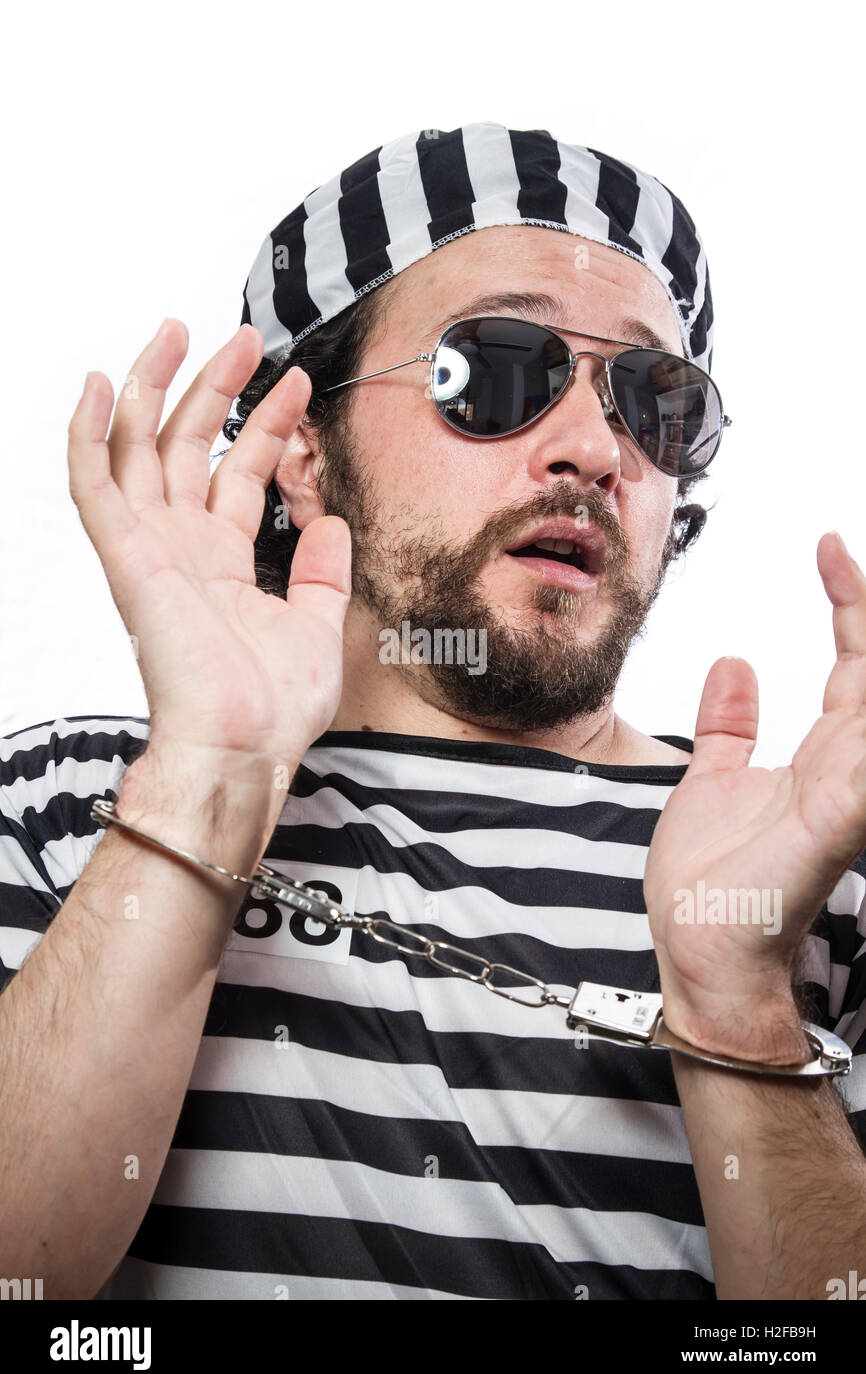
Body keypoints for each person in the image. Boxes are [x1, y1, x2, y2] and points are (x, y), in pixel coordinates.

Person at [1, 122, 865, 1302]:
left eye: (651, 401)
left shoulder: (814, 884)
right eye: (492, 369)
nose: (589, 449)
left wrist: (737, 998)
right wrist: (207, 780)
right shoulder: (70, 809)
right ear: (303, 450)